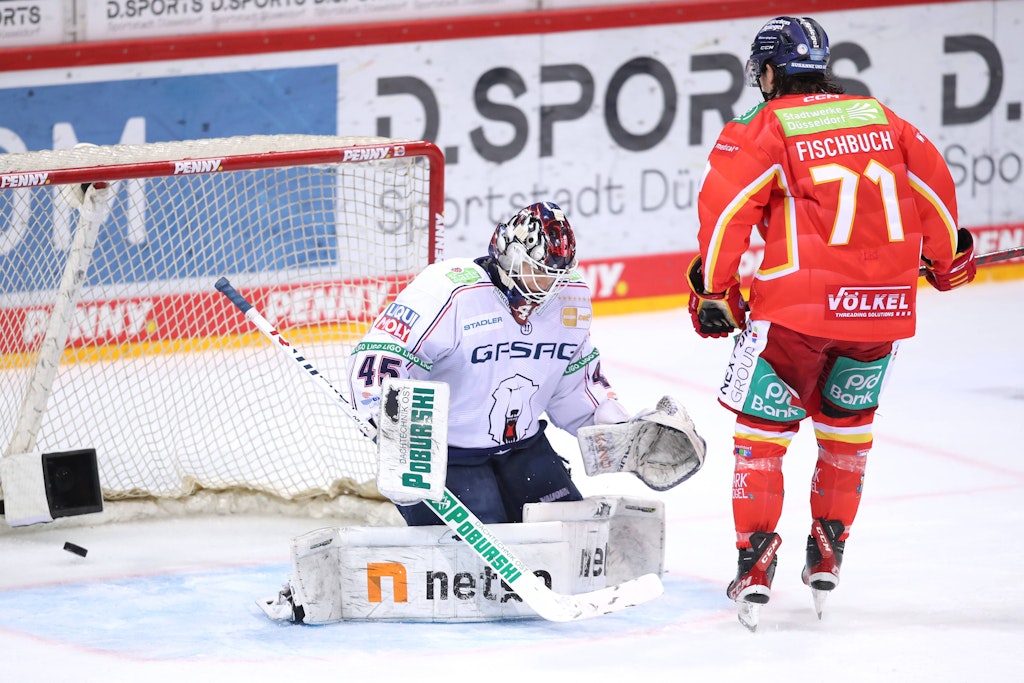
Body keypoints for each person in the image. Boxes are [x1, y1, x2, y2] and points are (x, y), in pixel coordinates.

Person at [686, 16, 977, 628]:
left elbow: (727, 212)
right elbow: (936, 193)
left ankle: (756, 564)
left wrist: (713, 290)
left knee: (761, 437)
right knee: (847, 430)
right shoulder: (883, 118)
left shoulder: (762, 127)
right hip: (882, 313)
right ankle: (829, 551)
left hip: (796, 315)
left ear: (769, 71)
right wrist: (948, 260)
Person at [349, 201, 704, 527]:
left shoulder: (570, 300)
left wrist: (621, 427)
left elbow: (575, 384)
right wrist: (397, 432)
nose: (547, 287)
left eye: (555, 275)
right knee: (480, 564)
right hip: (449, 456)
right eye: (537, 271)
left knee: (571, 542)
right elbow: (381, 358)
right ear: (507, 254)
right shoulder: (450, 290)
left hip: (524, 449)